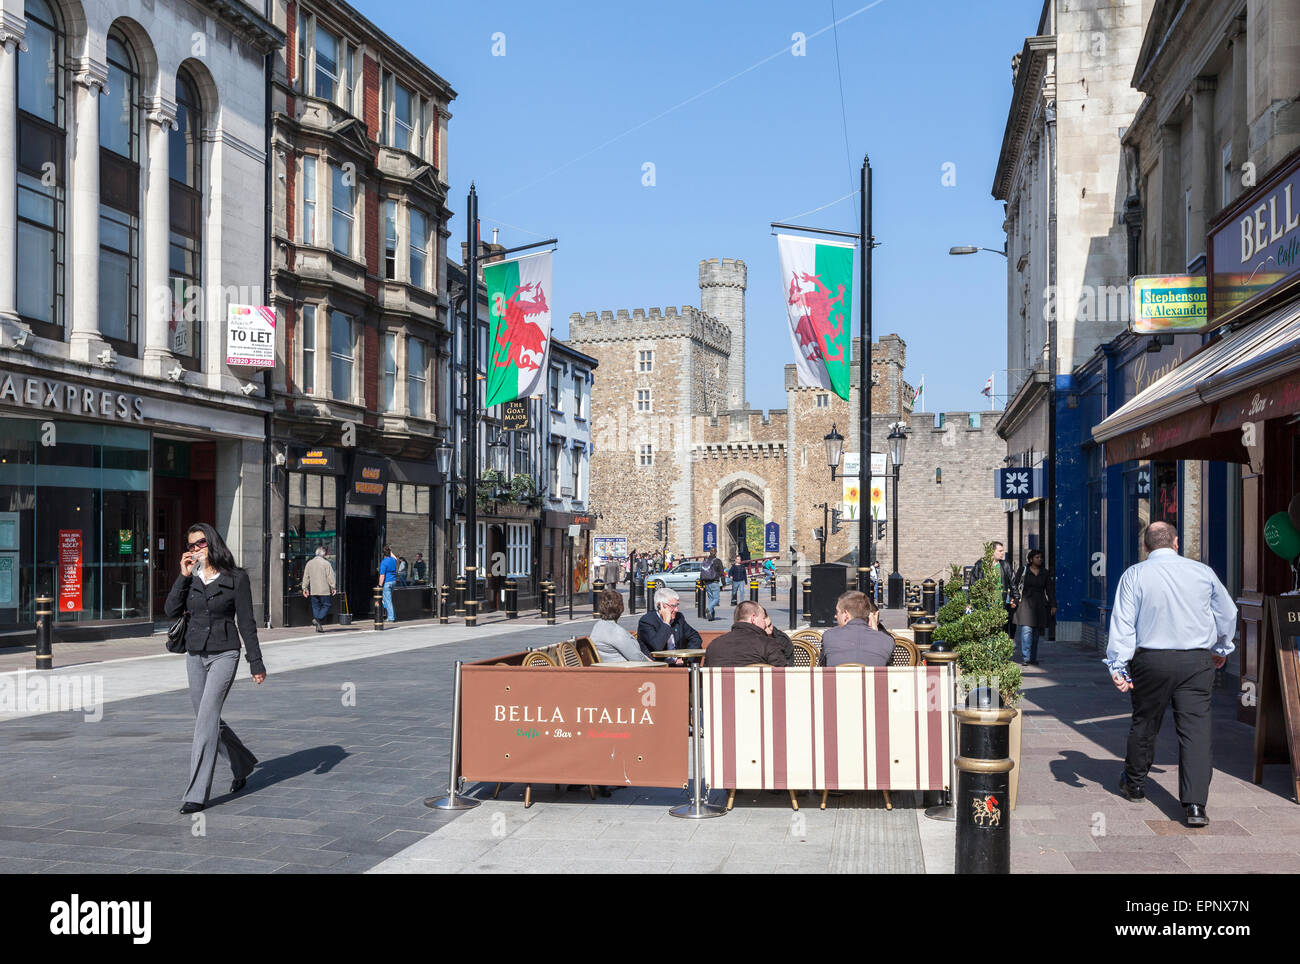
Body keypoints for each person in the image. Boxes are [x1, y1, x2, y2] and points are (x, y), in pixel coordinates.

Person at [1106, 521, 1236, 829]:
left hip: (1151, 660)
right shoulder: (1203, 573)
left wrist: (1117, 665)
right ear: (1176, 542)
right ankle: (1194, 805)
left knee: (1145, 721)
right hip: (1196, 661)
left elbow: (1123, 623)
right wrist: (1222, 647)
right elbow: (1228, 613)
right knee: (1196, 730)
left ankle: (1135, 785)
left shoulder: (1134, 575)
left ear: (1146, 546)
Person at [165, 523, 265, 814]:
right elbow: (171, 611)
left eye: (199, 544)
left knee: (205, 720)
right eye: (191, 545)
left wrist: (255, 662)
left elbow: (246, 623)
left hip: (225, 653)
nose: (195, 550)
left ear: (212, 543)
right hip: (195, 653)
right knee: (206, 720)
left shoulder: (236, 578)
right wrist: (182, 576)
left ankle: (196, 794)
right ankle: (242, 763)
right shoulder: (191, 577)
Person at [703, 601, 792, 668]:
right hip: (757, 691)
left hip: (720, 691)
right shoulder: (768, 644)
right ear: (753, 618)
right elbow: (783, 676)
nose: (764, 622)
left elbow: (704, 678)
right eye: (763, 618)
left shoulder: (713, 645)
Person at [819, 591, 894, 667]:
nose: (835, 616)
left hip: (839, 678)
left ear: (846, 614)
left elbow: (822, 666)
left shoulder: (829, 636)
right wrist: (877, 635)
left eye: (837, 612)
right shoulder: (887, 641)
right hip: (870, 679)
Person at [1012, 549, 1055, 665]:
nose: (1040, 559)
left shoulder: (1044, 573)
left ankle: (1033, 657)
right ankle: (1026, 657)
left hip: (1040, 604)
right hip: (1025, 604)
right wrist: (1014, 599)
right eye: (1037, 557)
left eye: (1041, 557)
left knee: (1036, 633)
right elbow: (1015, 585)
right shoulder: (1023, 570)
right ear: (1031, 559)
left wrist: (1053, 605)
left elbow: (1050, 590)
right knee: (1027, 631)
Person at [637, 587, 702, 660]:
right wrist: (666, 623)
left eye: (677, 605)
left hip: (678, 665)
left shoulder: (679, 617)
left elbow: (695, 637)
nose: (676, 609)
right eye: (673, 606)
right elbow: (657, 646)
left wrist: (686, 659)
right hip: (658, 666)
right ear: (660, 606)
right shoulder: (647, 621)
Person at [590, 588, 652, 663]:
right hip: (623, 670)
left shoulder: (598, 626)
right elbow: (637, 658)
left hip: (607, 668)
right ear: (620, 609)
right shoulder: (616, 632)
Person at [972, 541, 1017, 633]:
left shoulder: (1005, 565)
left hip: (1001, 605)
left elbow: (1013, 583)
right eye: (1000, 551)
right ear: (992, 551)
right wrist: (972, 602)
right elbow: (973, 584)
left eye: (1002, 551)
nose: (1002, 553)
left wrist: (1015, 598)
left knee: (1001, 629)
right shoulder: (980, 565)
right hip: (984, 605)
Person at [301, 546, 337, 633]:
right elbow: (330, 576)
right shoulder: (326, 563)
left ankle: (318, 626)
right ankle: (318, 619)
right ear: (323, 554)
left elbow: (306, 577)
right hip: (324, 590)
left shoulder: (309, 563)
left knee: (315, 607)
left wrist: (304, 588)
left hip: (314, 590)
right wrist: (333, 587)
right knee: (327, 605)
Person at [701, 550, 723, 621]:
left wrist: (701, 583)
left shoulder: (705, 560)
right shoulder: (718, 561)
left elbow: (702, 572)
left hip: (707, 582)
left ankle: (711, 617)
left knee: (711, 599)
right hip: (714, 582)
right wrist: (724, 583)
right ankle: (708, 609)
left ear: (709, 553)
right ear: (716, 553)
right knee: (716, 599)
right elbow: (721, 573)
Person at [378, 545, 398, 623]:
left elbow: (382, 575)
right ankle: (392, 615)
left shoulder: (384, 562)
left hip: (387, 583)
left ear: (383, 554)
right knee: (387, 600)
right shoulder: (393, 560)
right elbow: (396, 558)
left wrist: (379, 585)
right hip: (393, 581)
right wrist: (390, 551)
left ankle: (391, 617)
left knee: (387, 600)